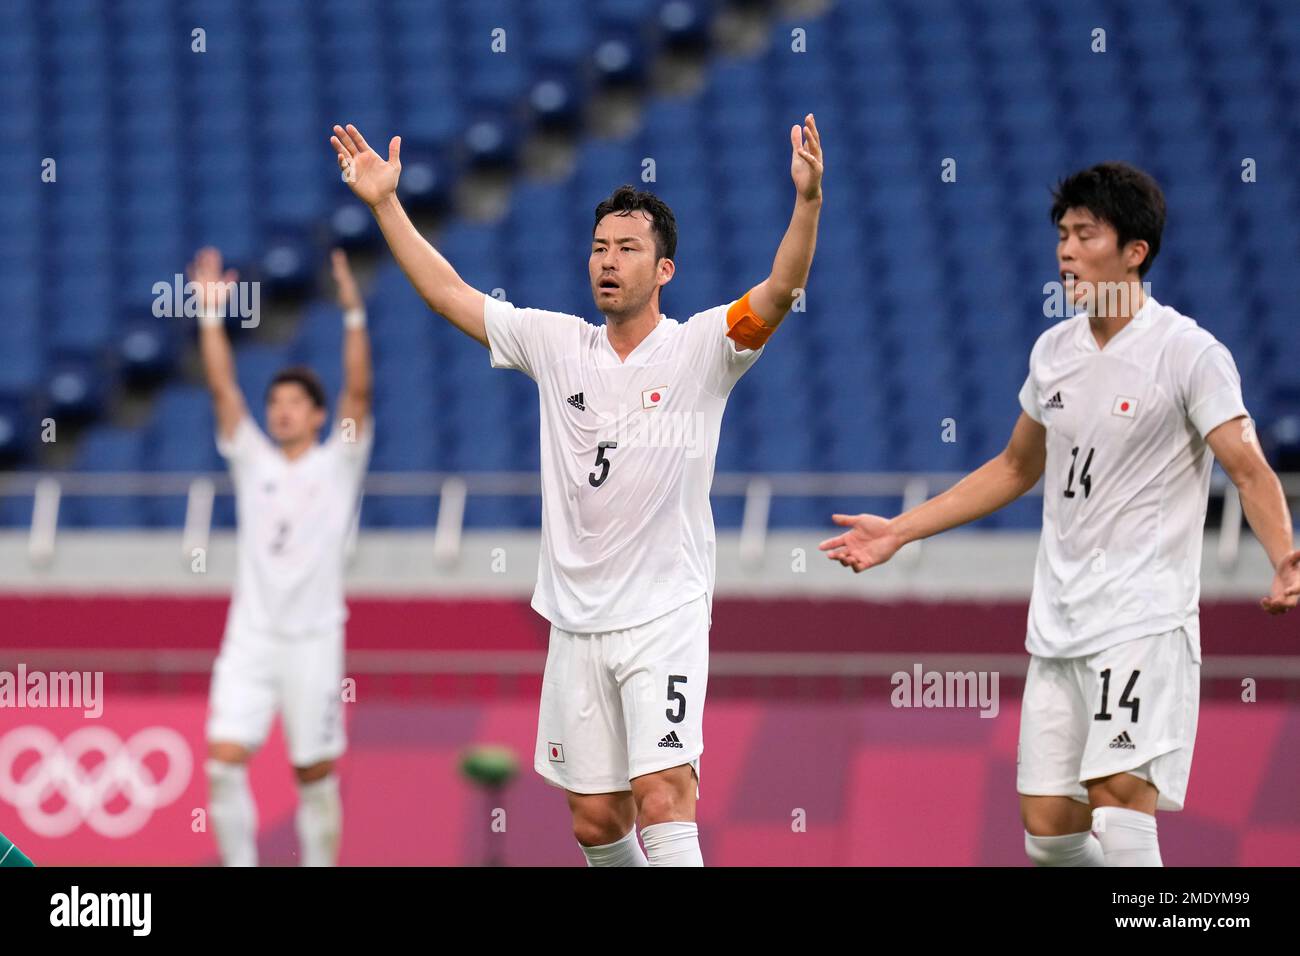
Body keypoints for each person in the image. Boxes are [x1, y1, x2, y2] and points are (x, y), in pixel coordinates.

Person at [329, 114, 823, 865]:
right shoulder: (557, 343)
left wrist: (808, 203)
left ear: (665, 271)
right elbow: (448, 295)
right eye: (599, 247)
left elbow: (782, 290)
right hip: (576, 618)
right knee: (595, 819)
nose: (608, 261)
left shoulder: (702, 348)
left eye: (628, 249)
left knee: (663, 791)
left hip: (665, 611)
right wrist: (384, 204)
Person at [820, 162, 1300, 866]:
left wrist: (1285, 555)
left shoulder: (1189, 353)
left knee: (1118, 803)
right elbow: (1016, 467)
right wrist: (899, 530)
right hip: (1061, 619)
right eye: (1062, 234)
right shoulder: (1054, 351)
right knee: (1049, 833)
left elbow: (1247, 466)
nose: (1065, 250)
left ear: (1134, 251)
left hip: (1142, 613)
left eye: (1085, 234)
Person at [193, 246, 374, 866]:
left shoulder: (337, 462)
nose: (280, 410)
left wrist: (353, 315)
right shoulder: (253, 462)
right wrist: (211, 317)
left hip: (314, 639)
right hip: (251, 636)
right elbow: (222, 389)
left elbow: (359, 391)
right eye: (275, 402)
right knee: (221, 765)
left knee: (315, 774)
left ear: (319, 416)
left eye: (294, 402)